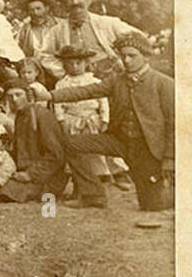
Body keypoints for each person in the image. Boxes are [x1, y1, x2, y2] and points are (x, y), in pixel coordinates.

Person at [53, 31, 174, 210]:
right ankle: (93, 195)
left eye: (132, 56)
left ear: (146, 56)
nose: (126, 60)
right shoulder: (116, 80)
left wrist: (169, 159)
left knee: (152, 206)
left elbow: (173, 125)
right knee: (71, 144)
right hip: (119, 141)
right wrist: (50, 96)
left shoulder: (164, 83)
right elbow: (87, 91)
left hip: (147, 149)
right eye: (123, 56)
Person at [52, 43, 129, 189]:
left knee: (99, 146)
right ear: (64, 65)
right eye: (70, 64)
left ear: (86, 63)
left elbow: (103, 102)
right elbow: (58, 104)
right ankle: (81, 180)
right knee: (76, 150)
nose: (75, 67)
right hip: (72, 119)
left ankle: (115, 173)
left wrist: (105, 120)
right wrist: (61, 121)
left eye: (78, 63)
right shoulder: (61, 84)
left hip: (92, 117)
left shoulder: (94, 81)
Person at [45, 0, 147, 76]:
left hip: (109, 75)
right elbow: (45, 56)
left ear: (89, 0)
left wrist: (122, 57)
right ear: (64, 3)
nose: (75, 2)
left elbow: (138, 38)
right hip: (77, 78)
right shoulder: (57, 31)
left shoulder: (108, 23)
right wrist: (63, 72)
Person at [0, 81, 66, 203]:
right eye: (10, 96)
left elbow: (56, 155)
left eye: (18, 95)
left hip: (46, 175)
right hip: (26, 171)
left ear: (28, 95)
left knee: (1, 191)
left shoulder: (42, 115)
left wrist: (30, 174)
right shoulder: (20, 116)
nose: (14, 100)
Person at [16, 0, 63, 80]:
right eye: (31, 10)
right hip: (34, 73)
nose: (35, 13)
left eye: (38, 8)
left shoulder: (59, 25)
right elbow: (17, 50)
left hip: (58, 70)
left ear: (47, 8)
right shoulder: (23, 29)